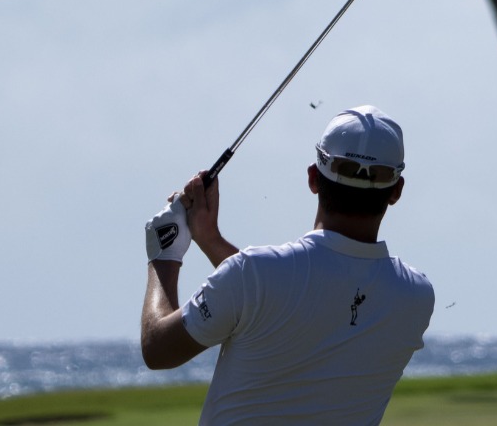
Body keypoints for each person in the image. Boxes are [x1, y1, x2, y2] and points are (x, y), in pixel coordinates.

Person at [140, 106, 435, 426]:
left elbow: (158, 348)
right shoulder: (415, 296)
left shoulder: (251, 275)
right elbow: (294, 297)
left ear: (312, 177)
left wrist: (164, 253)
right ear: (396, 191)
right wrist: (210, 240)